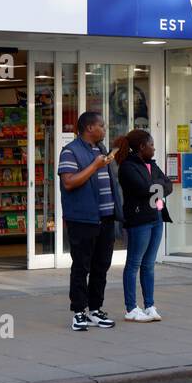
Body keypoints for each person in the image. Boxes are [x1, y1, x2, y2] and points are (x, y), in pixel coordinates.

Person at [58, 111, 122, 331]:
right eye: (101, 126)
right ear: (89, 128)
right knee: (81, 266)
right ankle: (79, 312)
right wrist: (94, 166)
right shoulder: (70, 152)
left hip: (105, 218)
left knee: (101, 266)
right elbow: (68, 182)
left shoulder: (101, 150)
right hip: (83, 219)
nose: (104, 129)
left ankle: (95, 309)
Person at [113, 130, 172, 323]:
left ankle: (149, 306)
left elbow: (168, 185)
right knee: (134, 264)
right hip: (139, 220)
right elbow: (142, 188)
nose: (154, 148)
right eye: (152, 144)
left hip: (157, 216)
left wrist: (154, 185)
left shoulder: (152, 165)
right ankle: (131, 308)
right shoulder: (127, 166)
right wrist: (156, 185)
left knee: (149, 264)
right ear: (142, 147)